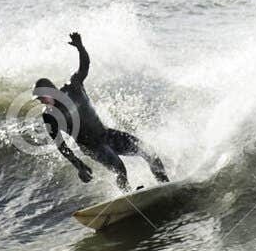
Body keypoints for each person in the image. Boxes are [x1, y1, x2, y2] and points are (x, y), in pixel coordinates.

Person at [34, 32, 168, 191]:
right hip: (91, 146)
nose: (40, 101)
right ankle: (129, 195)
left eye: (41, 97)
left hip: (106, 134)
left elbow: (84, 66)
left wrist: (80, 48)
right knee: (120, 169)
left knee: (148, 152)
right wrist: (79, 165)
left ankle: (165, 185)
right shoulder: (49, 115)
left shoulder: (73, 86)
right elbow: (61, 144)